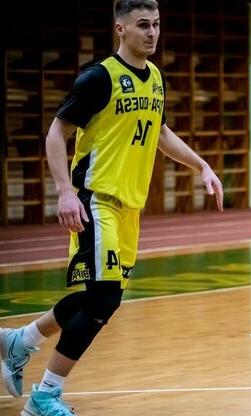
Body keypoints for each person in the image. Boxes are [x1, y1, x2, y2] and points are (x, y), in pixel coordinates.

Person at [0, 1, 223, 414]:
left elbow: (159, 131)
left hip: (128, 209)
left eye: (156, 24)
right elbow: (55, 133)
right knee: (104, 301)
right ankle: (45, 396)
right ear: (120, 29)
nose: (152, 33)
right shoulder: (98, 78)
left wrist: (202, 165)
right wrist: (65, 191)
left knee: (99, 297)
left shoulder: (155, 77)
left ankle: (20, 341)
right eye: (143, 25)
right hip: (95, 198)